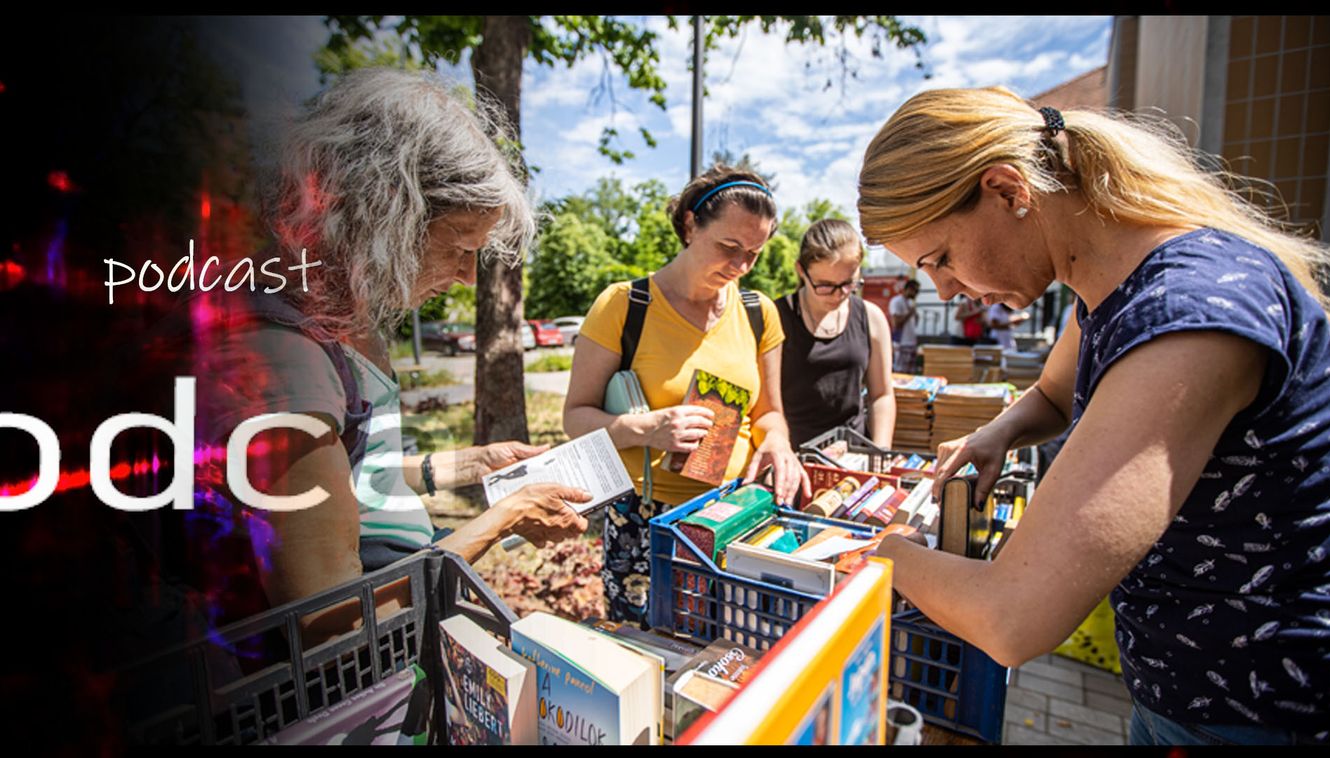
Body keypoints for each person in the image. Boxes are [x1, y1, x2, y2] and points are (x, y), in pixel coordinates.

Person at [858, 86, 1330, 745]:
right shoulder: (1112, 285)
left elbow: (1011, 619)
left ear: (1007, 190)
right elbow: (1056, 395)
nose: (942, 287)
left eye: (939, 258)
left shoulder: (1185, 317)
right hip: (1187, 687)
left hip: (1261, 709)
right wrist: (996, 432)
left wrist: (879, 554)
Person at [189, 67, 588, 641]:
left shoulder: (343, 317)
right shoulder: (283, 358)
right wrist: (502, 519)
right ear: (384, 217)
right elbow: (328, 613)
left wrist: (463, 466)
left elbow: (347, 476)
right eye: (457, 247)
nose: (464, 276)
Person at [563, 165, 809, 624]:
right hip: (644, 521)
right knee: (651, 653)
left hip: (735, 512)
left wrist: (778, 440)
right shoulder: (624, 305)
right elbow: (575, 418)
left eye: (753, 254)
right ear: (692, 224)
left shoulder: (759, 312)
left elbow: (770, 412)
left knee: (732, 648)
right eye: (729, 247)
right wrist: (648, 429)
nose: (739, 266)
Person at [774, 218, 895, 448]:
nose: (838, 295)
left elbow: (881, 395)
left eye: (848, 283)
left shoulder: (871, 317)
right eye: (825, 285)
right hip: (792, 457)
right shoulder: (776, 317)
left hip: (854, 457)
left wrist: (881, 453)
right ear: (801, 270)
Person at [889, 279, 921, 372]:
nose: (916, 294)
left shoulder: (910, 302)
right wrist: (910, 313)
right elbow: (896, 323)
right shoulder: (896, 301)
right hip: (902, 344)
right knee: (900, 373)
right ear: (908, 289)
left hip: (911, 343)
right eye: (915, 290)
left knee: (910, 373)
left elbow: (913, 325)